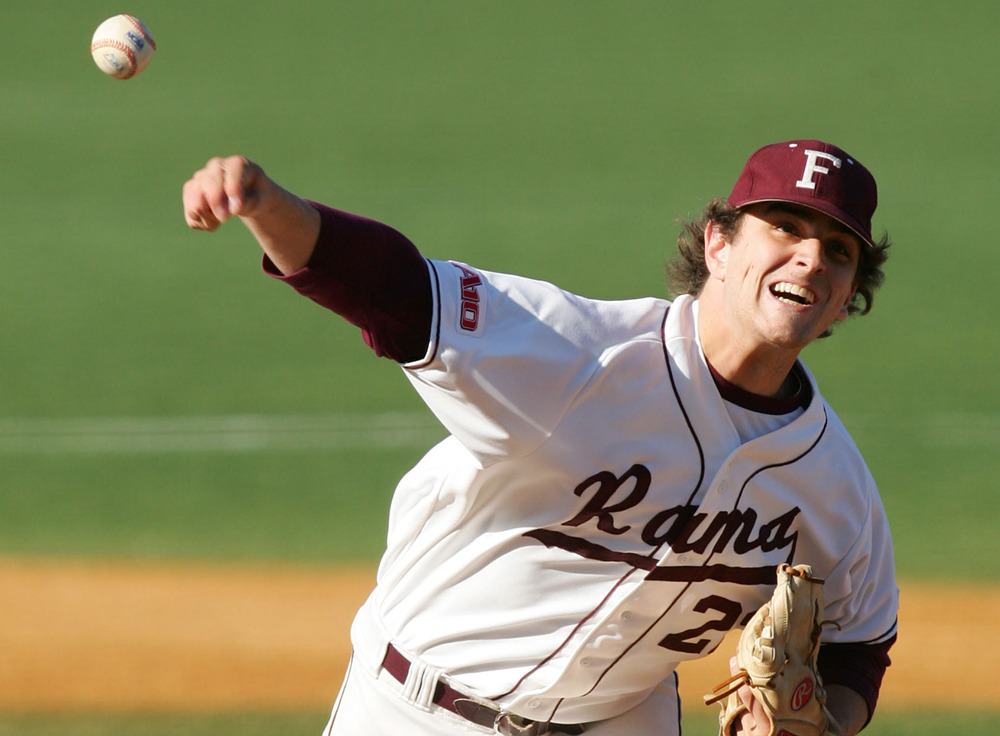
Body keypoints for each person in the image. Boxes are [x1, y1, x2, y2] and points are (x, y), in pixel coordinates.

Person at [182, 139, 898, 736]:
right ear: (718, 243)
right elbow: (398, 293)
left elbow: (857, 648)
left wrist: (826, 721)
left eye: (838, 251)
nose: (810, 258)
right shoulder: (584, 354)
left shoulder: (836, 487)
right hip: (418, 709)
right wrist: (269, 207)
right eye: (785, 229)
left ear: (848, 294)